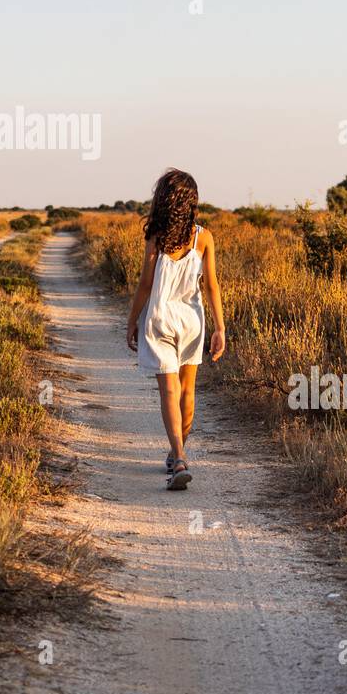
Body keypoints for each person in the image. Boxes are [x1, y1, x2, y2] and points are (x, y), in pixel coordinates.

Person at [126, 169, 225, 490]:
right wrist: (220, 327)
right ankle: (177, 451)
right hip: (192, 320)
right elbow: (211, 285)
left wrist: (131, 321)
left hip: (160, 317)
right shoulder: (204, 237)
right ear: (192, 202)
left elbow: (145, 284)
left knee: (169, 391)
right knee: (188, 391)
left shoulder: (156, 237)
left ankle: (179, 456)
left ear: (163, 201)